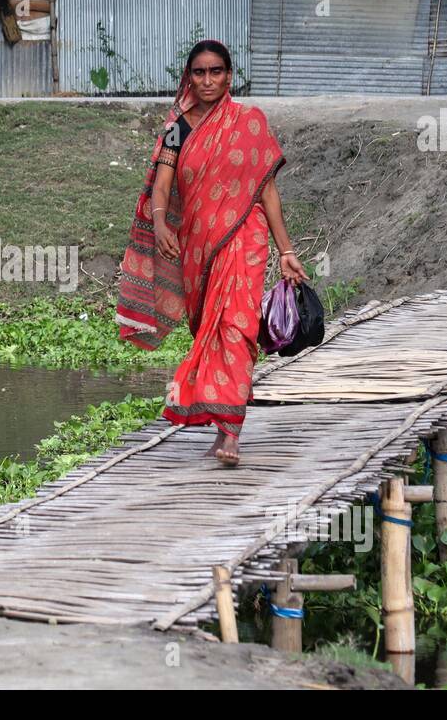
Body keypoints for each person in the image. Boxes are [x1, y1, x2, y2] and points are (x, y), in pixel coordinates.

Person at [115, 39, 309, 467]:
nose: (208, 80)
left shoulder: (249, 122)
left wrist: (286, 250)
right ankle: (223, 423)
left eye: (216, 72)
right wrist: (163, 221)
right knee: (207, 327)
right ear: (189, 77)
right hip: (197, 249)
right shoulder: (177, 127)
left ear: (229, 75)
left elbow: (267, 191)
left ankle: (231, 433)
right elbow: (162, 186)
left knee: (237, 328)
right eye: (199, 73)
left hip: (245, 237)